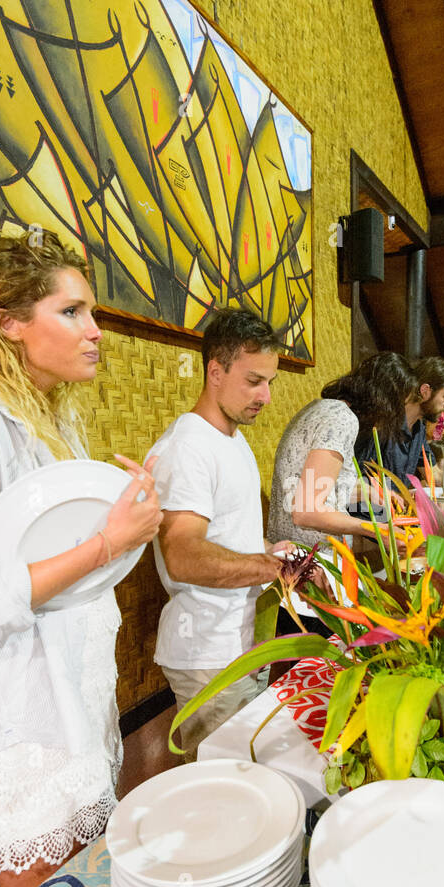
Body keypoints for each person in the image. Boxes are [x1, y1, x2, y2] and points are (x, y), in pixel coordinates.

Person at [0, 232, 163, 887]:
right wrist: (108, 541)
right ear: (7, 323)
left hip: (63, 702)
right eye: (72, 312)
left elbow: (57, 559)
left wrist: (126, 519)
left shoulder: (47, 424)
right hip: (12, 726)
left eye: (93, 313)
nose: (96, 331)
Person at [151, 310, 295, 758]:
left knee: (253, 776)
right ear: (216, 371)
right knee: (224, 792)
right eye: (254, 380)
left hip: (242, 642)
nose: (265, 396)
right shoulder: (188, 446)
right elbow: (184, 555)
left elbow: (230, 540)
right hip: (206, 653)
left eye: (269, 382)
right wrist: (270, 566)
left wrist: (273, 550)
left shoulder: (233, 440)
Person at [267, 351, 415, 548]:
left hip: (291, 549)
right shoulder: (342, 419)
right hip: (313, 556)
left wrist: (372, 493)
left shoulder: (320, 408)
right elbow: (306, 511)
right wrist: (374, 529)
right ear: (385, 401)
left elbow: (323, 488)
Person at [355, 355, 444, 489]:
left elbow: (435, 476)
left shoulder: (419, 429)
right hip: (368, 509)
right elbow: (353, 479)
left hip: (394, 508)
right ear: (425, 391)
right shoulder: (381, 422)